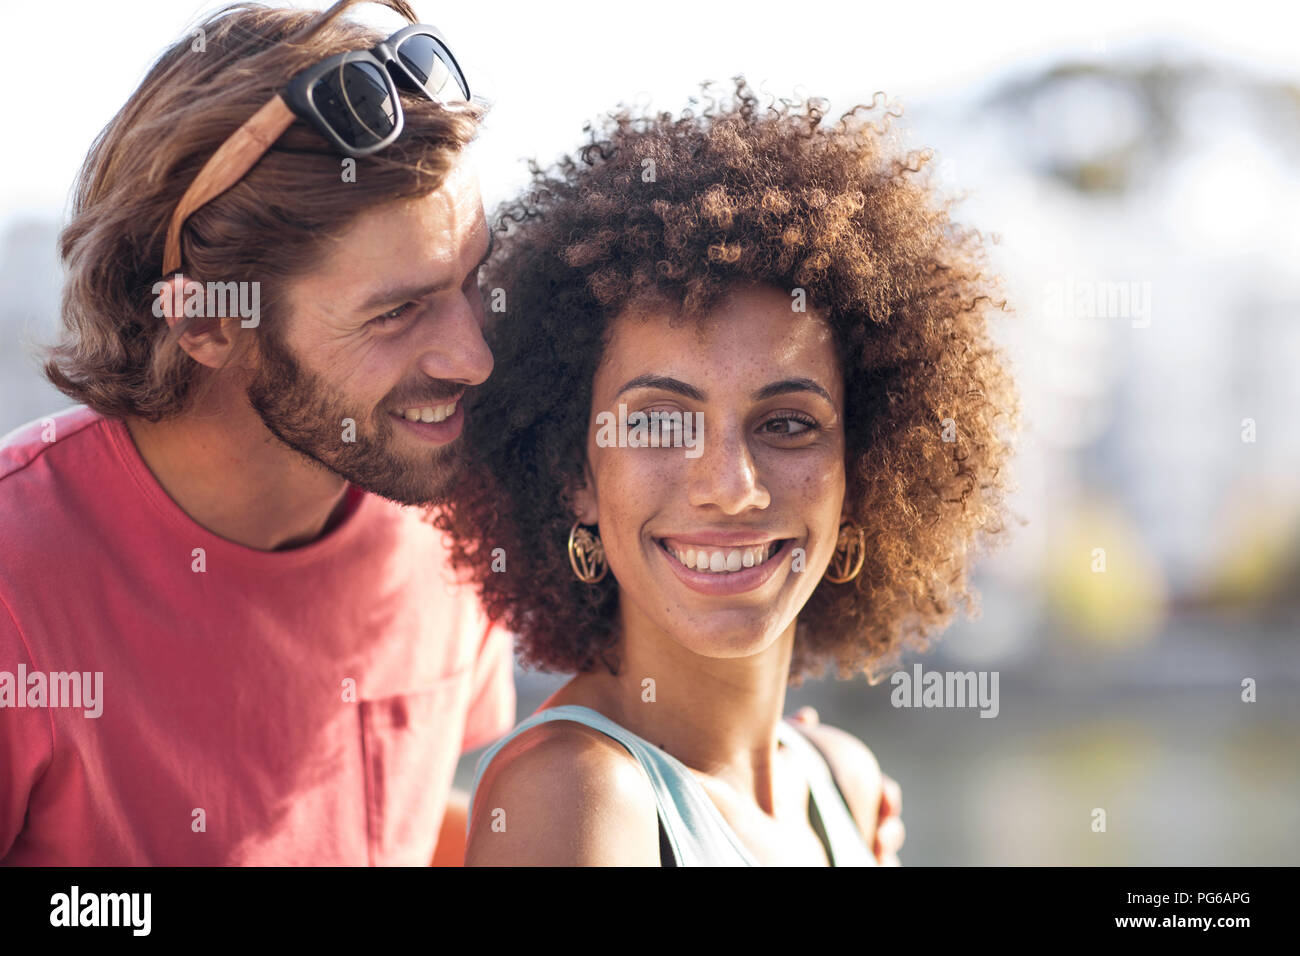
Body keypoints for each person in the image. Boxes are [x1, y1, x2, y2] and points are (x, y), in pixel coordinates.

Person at [440, 79, 1019, 865]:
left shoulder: (842, 784)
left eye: (787, 425)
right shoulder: (579, 798)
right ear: (575, 474)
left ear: (865, 476)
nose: (731, 485)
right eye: (658, 422)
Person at [0, 0, 510, 865]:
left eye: (472, 278)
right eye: (396, 312)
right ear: (203, 323)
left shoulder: (451, 521)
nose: (473, 357)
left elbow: (409, 830)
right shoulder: (17, 584)